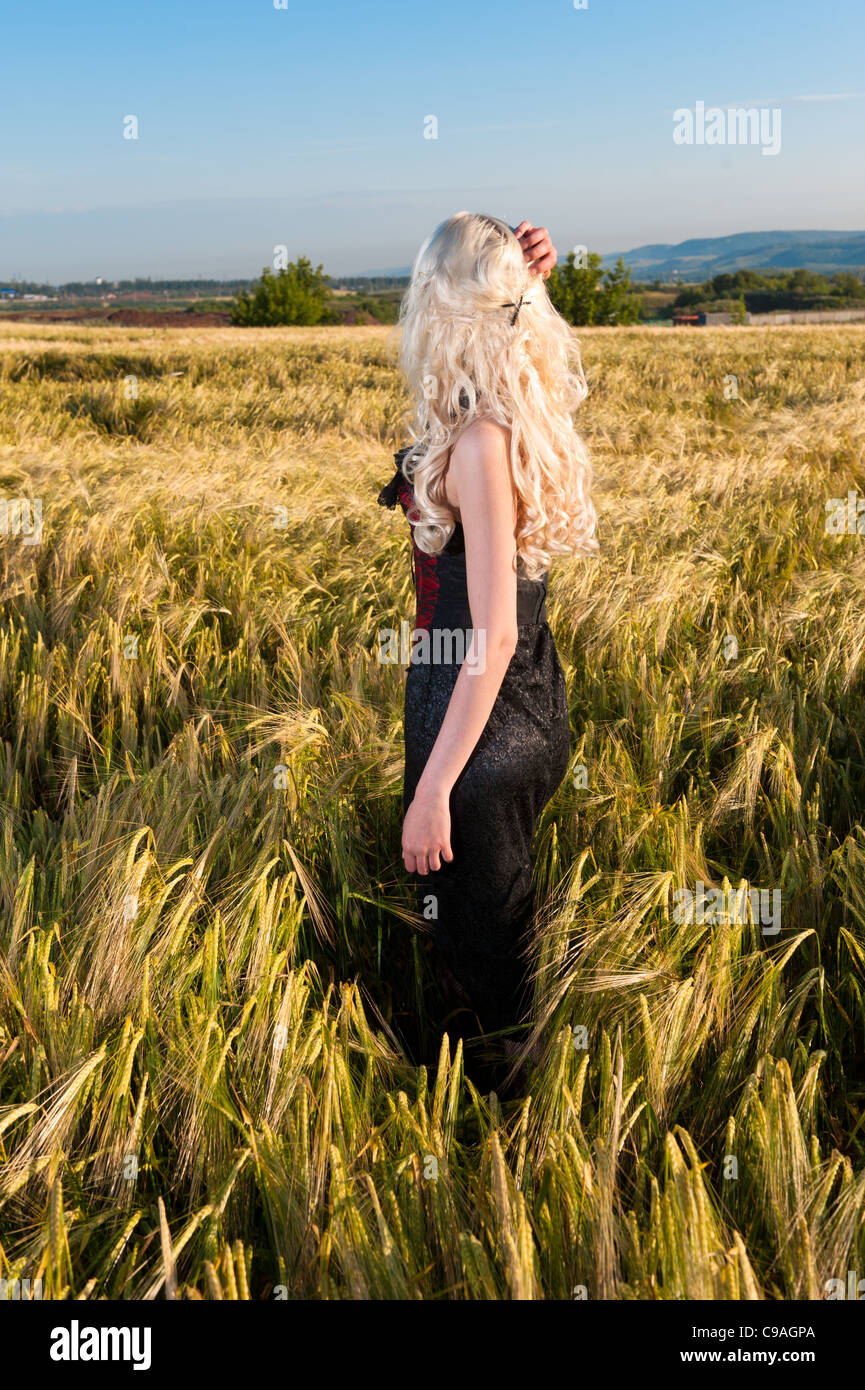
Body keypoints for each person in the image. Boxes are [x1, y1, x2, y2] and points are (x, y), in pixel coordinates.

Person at [377, 213, 597, 1085]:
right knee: (486, 926)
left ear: (438, 303)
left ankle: (505, 1135)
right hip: (510, 701)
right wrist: (530, 284)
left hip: (481, 724)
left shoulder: (478, 441)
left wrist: (435, 787)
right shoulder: (506, 409)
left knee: (496, 974)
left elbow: (493, 630)